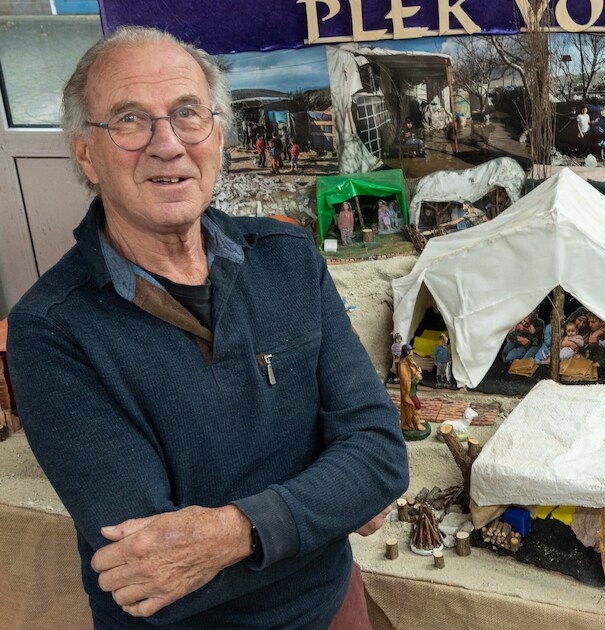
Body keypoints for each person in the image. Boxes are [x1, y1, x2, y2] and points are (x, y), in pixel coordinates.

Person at [5, 27, 407, 627]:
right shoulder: (51, 330)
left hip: (328, 608)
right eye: (130, 119)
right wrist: (325, 504)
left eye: (187, 114)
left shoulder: (289, 257)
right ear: (85, 152)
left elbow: (379, 459)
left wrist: (231, 531)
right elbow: (150, 576)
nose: (167, 145)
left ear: (216, 133)